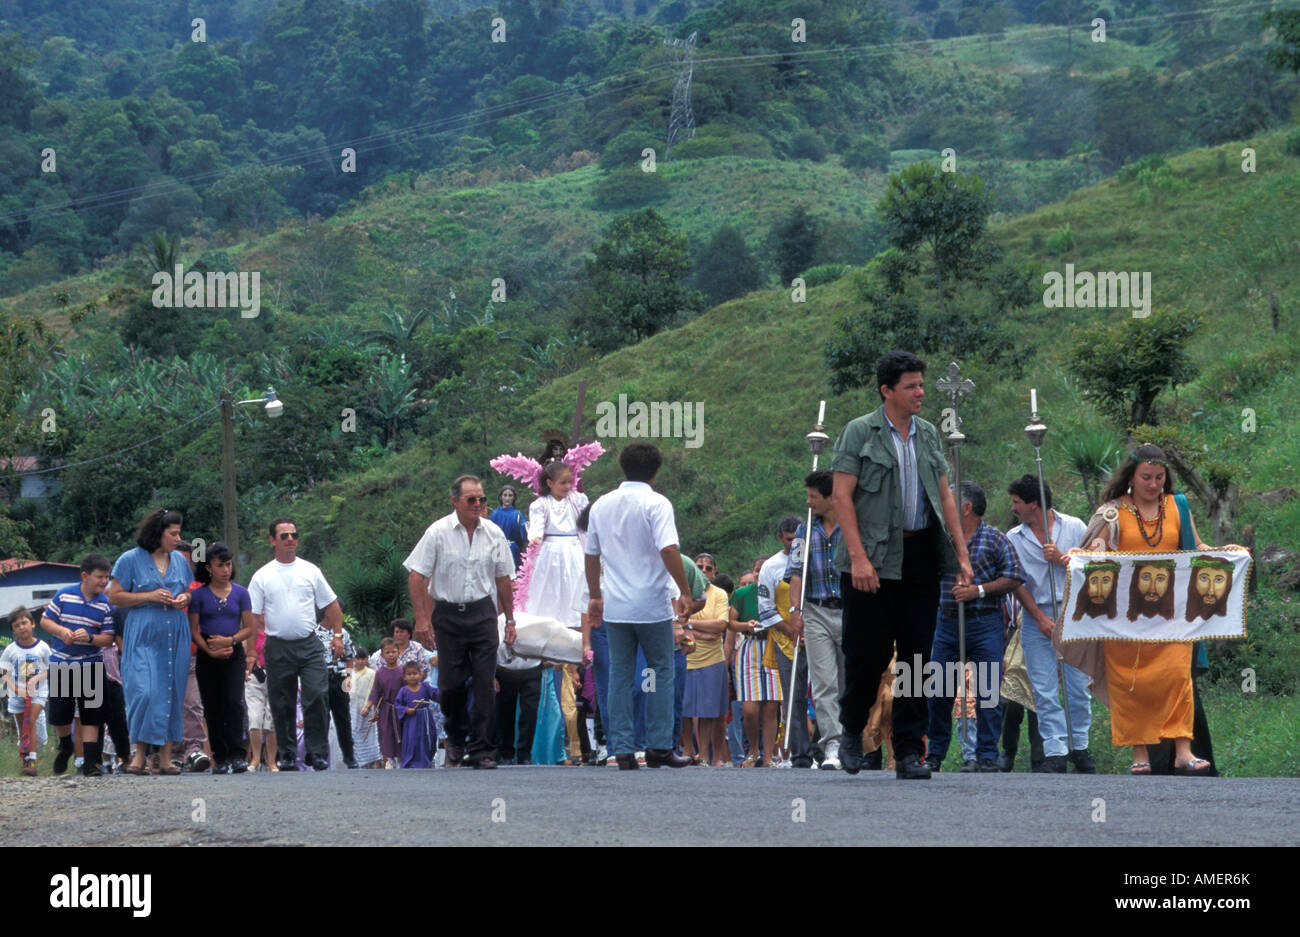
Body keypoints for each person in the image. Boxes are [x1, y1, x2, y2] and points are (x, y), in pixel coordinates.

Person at [830, 351, 974, 780]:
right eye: (911, 386)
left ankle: (910, 751)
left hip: (920, 557)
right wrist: (857, 557)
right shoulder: (860, 432)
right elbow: (841, 498)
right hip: (870, 557)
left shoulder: (929, 434)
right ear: (887, 391)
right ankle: (852, 732)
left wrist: (961, 554)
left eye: (921, 385)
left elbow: (946, 496)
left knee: (917, 659)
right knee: (866, 654)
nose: (920, 393)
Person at [1061, 444, 1240, 776]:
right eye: (1146, 477)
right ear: (1131, 476)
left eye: (1159, 477)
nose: (1154, 484)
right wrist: (1084, 554)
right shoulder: (1112, 512)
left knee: (1177, 677)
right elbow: (1099, 548)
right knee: (1131, 683)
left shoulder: (1177, 505)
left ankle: (1183, 751)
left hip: (1172, 615)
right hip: (1125, 620)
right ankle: (1139, 753)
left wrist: (1224, 553)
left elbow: (1195, 548)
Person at [584, 442, 693, 770]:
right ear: (656, 471)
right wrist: (685, 591)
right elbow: (669, 549)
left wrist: (595, 595)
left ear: (622, 468)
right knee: (660, 670)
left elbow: (591, 554)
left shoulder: (601, 505)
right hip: (651, 604)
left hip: (616, 604)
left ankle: (622, 749)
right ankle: (660, 746)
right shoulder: (657, 503)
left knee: (620, 673)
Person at [405, 474, 516, 769]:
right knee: (450, 685)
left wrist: (511, 620)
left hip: (483, 615)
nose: (478, 505)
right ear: (455, 501)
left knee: (484, 684)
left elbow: (504, 579)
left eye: (482, 499)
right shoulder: (437, 532)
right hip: (448, 615)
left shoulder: (494, 533)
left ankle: (482, 749)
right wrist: (422, 620)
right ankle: (455, 739)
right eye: (471, 499)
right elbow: (417, 576)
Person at [923, 482, 1024, 773]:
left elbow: (1014, 577)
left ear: (966, 508)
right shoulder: (941, 540)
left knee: (988, 692)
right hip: (945, 622)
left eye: (951, 501)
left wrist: (978, 590)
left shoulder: (995, 540)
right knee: (938, 691)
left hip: (985, 623)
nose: (945, 505)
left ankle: (987, 755)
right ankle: (935, 753)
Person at [1006, 475, 1093, 773]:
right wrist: (1040, 618)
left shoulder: (1076, 527)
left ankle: (1079, 746)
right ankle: (1054, 751)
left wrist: (1062, 559)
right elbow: (1017, 582)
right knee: (1043, 688)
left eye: (1017, 501)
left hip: (1076, 612)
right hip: (1036, 615)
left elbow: (1094, 567)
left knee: (1077, 685)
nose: (1013, 507)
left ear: (1033, 504)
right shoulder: (1014, 537)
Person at [248, 517, 344, 772]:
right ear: (272, 541)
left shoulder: (310, 570)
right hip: (278, 645)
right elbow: (253, 617)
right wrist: (252, 652)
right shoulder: (262, 576)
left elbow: (331, 604)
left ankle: (317, 752)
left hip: (309, 644)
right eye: (284, 536)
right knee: (282, 701)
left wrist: (337, 636)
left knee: (317, 694)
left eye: (294, 535)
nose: (290, 539)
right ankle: (288, 754)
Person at [108, 509, 193, 775]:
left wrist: (184, 600)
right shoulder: (130, 559)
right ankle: (139, 755)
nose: (178, 538)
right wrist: (149, 596)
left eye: (179, 533)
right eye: (174, 533)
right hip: (143, 631)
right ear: (158, 532)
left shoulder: (180, 560)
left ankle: (165, 758)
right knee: (143, 691)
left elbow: (189, 591)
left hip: (174, 632)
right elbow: (115, 596)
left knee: (171, 691)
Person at [786, 470, 847, 770]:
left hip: (851, 611)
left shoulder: (853, 524)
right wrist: (795, 611)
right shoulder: (804, 531)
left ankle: (854, 741)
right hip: (816, 611)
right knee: (824, 683)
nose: (808, 502)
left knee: (851, 682)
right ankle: (832, 745)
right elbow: (796, 572)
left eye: (813, 497)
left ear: (831, 497)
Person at [40, 554, 115, 777]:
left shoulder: (105, 604)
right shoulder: (64, 595)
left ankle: (91, 763)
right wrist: (62, 631)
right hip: (63, 663)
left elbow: (109, 638)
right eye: (100, 577)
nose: (104, 582)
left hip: (91, 664)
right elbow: (45, 620)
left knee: (92, 715)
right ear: (85, 576)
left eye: (107, 577)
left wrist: (90, 638)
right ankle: (65, 745)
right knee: (60, 716)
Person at [188, 542, 253, 774]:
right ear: (208, 568)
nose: (225, 569)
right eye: (220, 565)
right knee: (213, 707)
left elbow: (249, 628)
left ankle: (238, 755)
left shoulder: (241, 593)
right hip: (207, 654)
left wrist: (231, 641)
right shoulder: (199, 595)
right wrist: (209, 649)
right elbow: (193, 629)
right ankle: (220, 756)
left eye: (228, 564)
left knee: (234, 703)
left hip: (233, 652)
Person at [757, 516, 803, 766]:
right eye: (789, 540)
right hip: (786, 640)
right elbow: (765, 608)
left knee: (821, 695)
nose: (793, 543)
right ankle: (796, 752)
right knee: (791, 697)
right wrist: (790, 630)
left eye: (798, 539)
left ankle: (824, 750)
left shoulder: (810, 560)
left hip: (814, 636)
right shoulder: (771, 567)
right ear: (780, 538)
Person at [681, 556, 730, 765]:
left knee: (708, 710)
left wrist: (687, 623)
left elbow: (720, 625)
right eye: (699, 566)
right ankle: (687, 751)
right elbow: (673, 622)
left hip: (712, 658)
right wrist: (701, 633)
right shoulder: (681, 591)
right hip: (684, 655)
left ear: (714, 572)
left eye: (708, 568)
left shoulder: (718, 594)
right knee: (683, 707)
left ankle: (703, 754)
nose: (703, 570)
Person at [2, 606, 50, 776]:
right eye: (17, 625)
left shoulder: (42, 647)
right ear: (13, 630)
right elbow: (4, 674)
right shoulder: (10, 650)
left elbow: (51, 669)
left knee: (31, 721)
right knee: (24, 726)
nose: (21, 627)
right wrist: (16, 689)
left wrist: (37, 679)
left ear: (33, 624)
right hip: (17, 694)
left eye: (24, 623)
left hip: (38, 692)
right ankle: (25, 759)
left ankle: (32, 761)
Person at [315, 614, 357, 768]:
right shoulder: (313, 633)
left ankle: (349, 756)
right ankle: (319, 756)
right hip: (320, 680)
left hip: (339, 678)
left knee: (344, 719)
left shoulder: (343, 633)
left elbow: (350, 656)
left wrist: (348, 676)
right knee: (321, 719)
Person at [495, 637, 543, 765]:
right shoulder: (501, 617)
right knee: (505, 713)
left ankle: (525, 754)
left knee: (530, 712)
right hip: (505, 670)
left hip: (532, 669)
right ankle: (505, 753)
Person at [363, 637, 404, 768]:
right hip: (386, 710)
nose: (391, 655)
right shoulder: (380, 673)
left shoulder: (403, 671)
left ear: (398, 652)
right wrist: (369, 708)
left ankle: (402, 758)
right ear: (382, 655)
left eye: (394, 651)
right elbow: (375, 692)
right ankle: (389, 760)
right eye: (388, 652)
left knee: (402, 732)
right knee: (386, 734)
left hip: (401, 708)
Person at [244, 628, 277, 771]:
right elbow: (243, 651)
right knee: (254, 716)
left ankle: (271, 761)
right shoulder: (250, 630)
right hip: (254, 675)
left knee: (272, 719)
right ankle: (255, 759)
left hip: (275, 674)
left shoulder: (277, 629)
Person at [395, 662, 439, 768]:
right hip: (411, 721)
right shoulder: (403, 691)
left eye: (415, 673)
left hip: (425, 720)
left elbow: (437, 695)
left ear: (420, 674)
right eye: (409, 674)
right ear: (405, 677)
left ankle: (425, 760)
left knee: (426, 738)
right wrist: (406, 710)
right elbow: (397, 704)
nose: (412, 676)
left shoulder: (425, 687)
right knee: (411, 740)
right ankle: (410, 762)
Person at [348, 648, 382, 768]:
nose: (361, 661)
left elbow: (373, 691)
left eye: (363, 658)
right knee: (355, 734)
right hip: (353, 708)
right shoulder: (349, 672)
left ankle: (375, 763)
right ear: (354, 659)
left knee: (371, 736)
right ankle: (359, 763)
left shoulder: (372, 673)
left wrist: (368, 707)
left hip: (368, 707)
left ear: (367, 659)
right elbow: (345, 690)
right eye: (358, 658)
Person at [491, 485, 529, 571]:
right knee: (499, 574)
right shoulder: (495, 514)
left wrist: (528, 527)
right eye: (505, 495)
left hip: (513, 548)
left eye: (510, 495)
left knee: (513, 574)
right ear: (501, 497)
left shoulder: (518, 514)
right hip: (498, 548)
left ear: (514, 498)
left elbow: (523, 533)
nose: (507, 498)